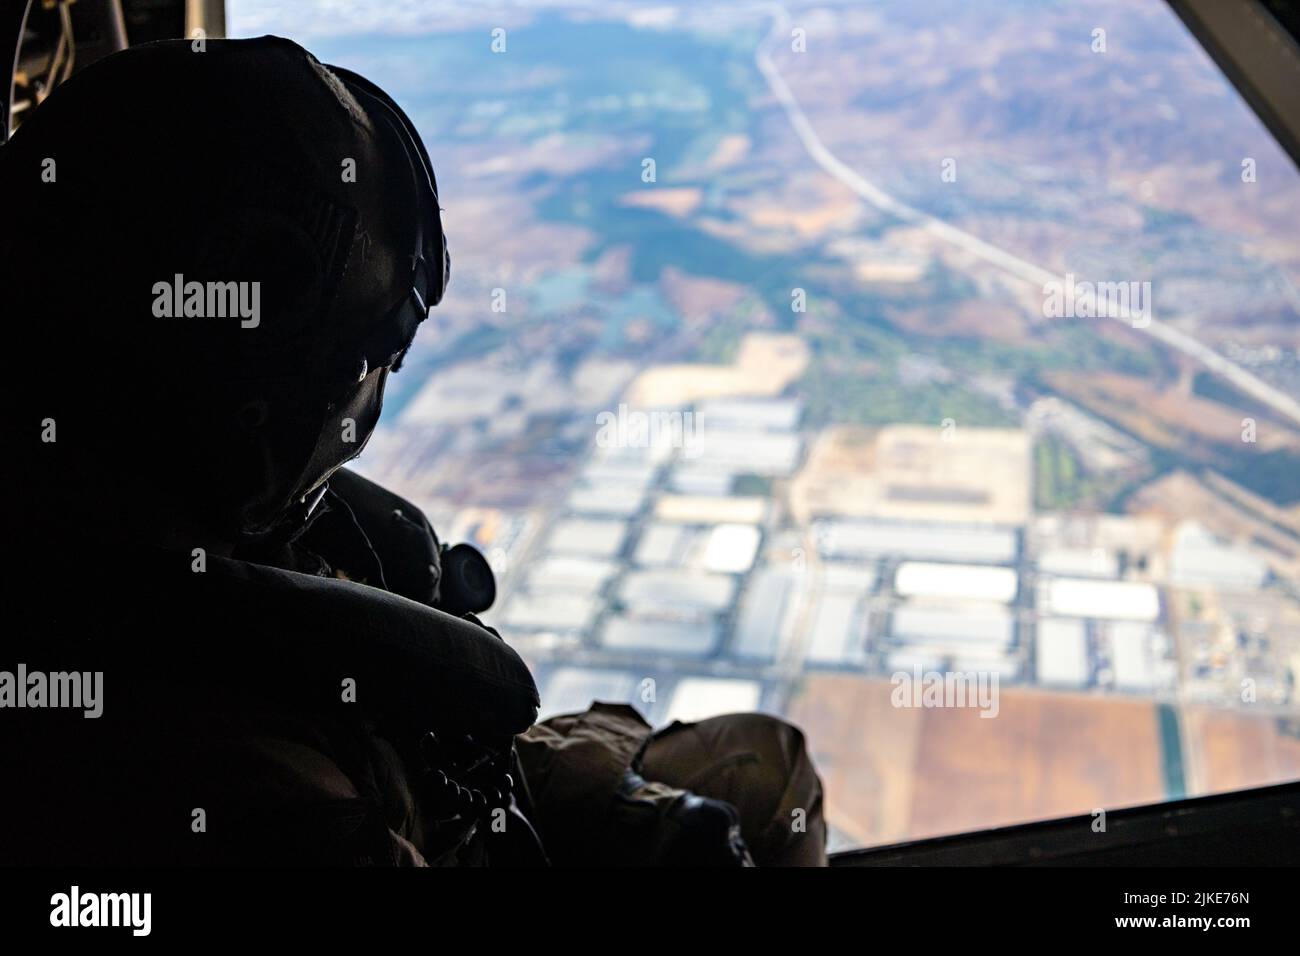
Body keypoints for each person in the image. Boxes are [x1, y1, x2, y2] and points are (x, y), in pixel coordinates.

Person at [0, 35, 825, 866]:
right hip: (401, 801)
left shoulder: (126, 492)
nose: (373, 403)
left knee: (764, 760)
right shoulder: (236, 786)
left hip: (419, 768)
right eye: (374, 356)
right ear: (269, 388)